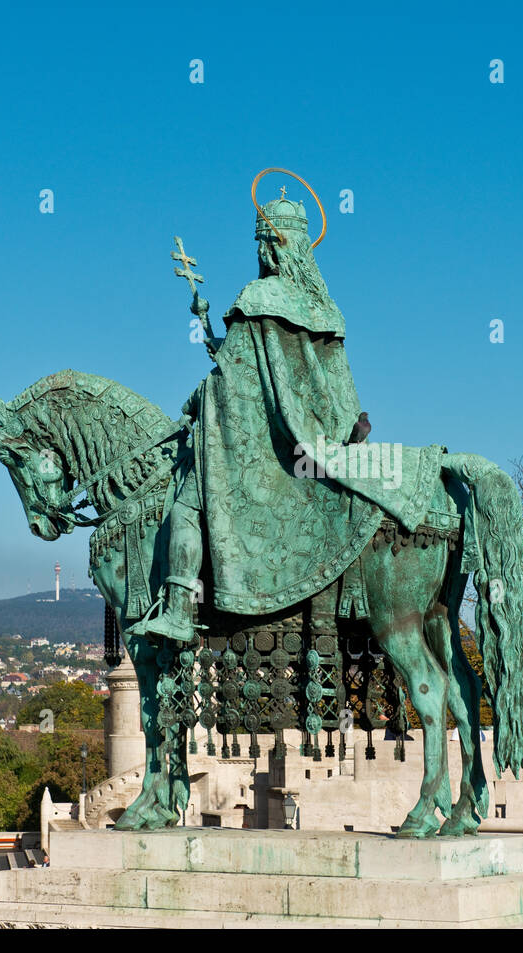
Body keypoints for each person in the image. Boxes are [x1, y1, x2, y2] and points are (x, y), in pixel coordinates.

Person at [126, 185, 441, 642]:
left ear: (273, 245)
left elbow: (232, 380)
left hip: (262, 440)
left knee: (186, 507)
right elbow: (322, 382)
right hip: (324, 437)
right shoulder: (325, 307)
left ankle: (178, 608)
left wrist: (198, 397)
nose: (259, 252)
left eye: (262, 243)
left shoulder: (256, 298)